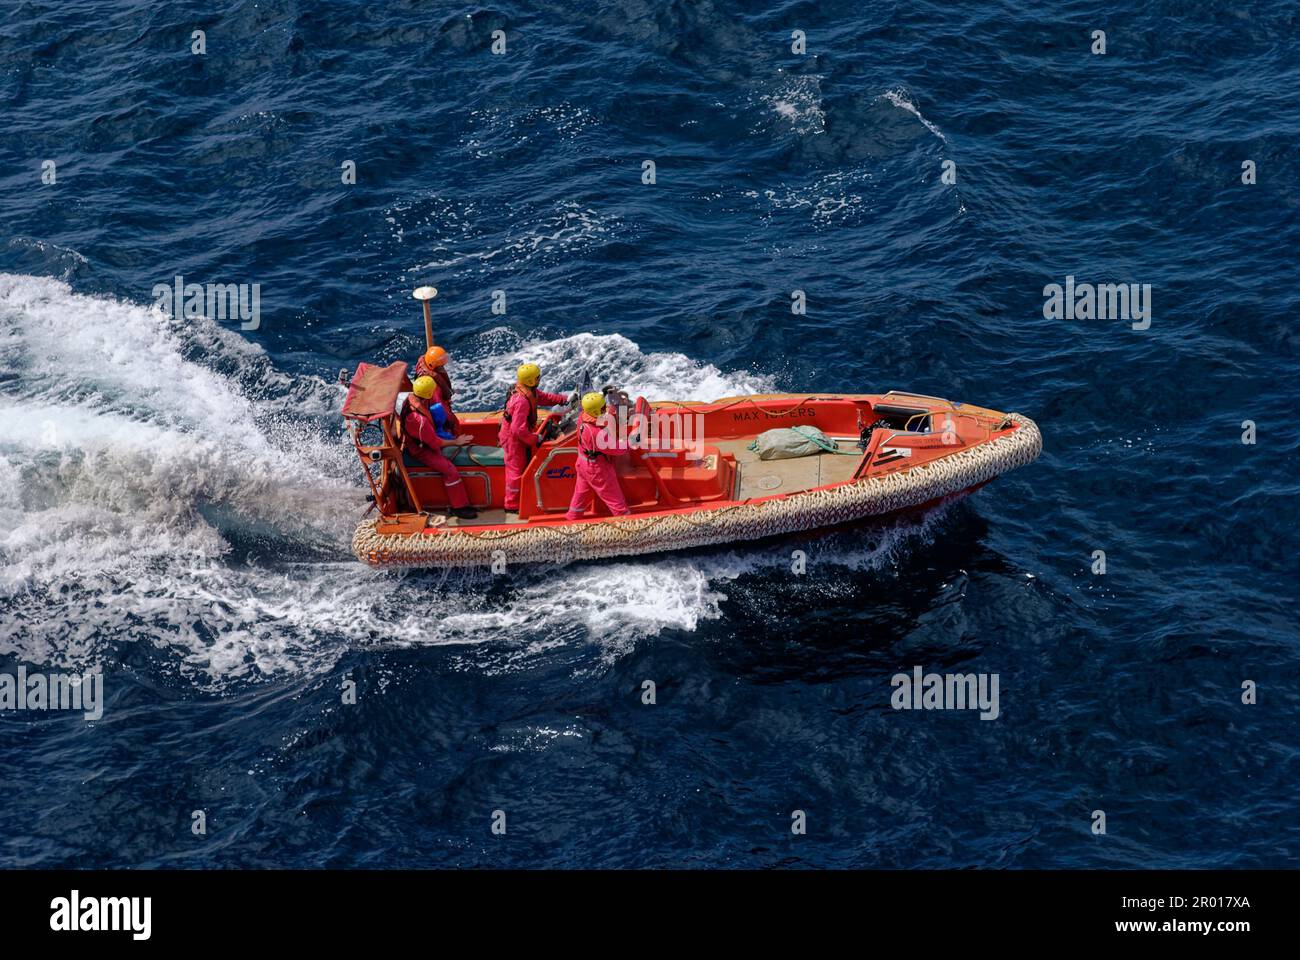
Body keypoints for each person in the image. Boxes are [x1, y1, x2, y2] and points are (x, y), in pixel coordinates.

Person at [499, 362, 571, 518]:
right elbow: (517, 430)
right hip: (513, 439)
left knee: (522, 467)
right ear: (532, 380)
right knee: (516, 471)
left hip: (519, 435)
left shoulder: (527, 391)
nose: (540, 378)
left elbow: (544, 397)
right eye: (538, 377)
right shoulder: (521, 401)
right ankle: (511, 505)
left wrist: (564, 399)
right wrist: (535, 439)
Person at [400, 376, 477, 520]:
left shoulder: (411, 400)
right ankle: (459, 508)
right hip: (420, 450)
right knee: (450, 471)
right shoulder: (419, 421)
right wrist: (456, 441)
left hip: (424, 438)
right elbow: (435, 443)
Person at [565, 391, 631, 521]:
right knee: (615, 500)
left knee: (580, 496)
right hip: (597, 470)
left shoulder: (582, 417)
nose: (604, 409)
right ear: (595, 411)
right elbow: (617, 449)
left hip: (583, 464)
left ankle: (571, 520)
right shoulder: (596, 434)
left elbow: (601, 419)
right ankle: (627, 525)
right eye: (602, 408)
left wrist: (613, 412)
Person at [412, 345, 460, 435]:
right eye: (441, 366)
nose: (442, 368)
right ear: (432, 366)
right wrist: (450, 422)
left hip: (429, 405)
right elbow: (438, 405)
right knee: (453, 426)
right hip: (436, 415)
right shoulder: (431, 385)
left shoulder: (424, 362)